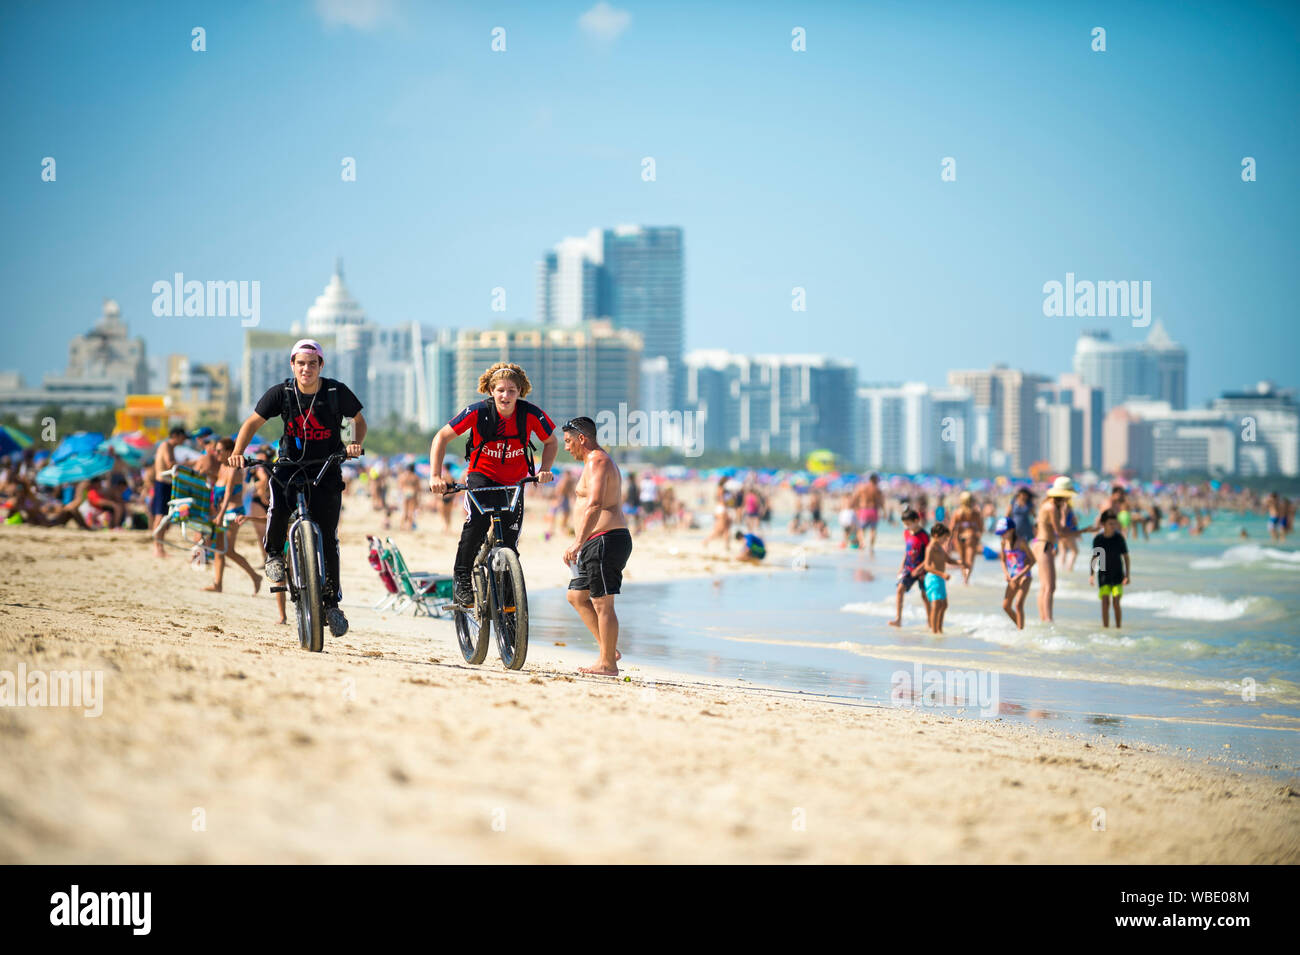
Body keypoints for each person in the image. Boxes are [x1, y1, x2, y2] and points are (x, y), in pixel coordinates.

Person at [229, 339, 366, 637]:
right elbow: (253, 422)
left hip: (326, 465)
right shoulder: (282, 393)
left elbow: (358, 420)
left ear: (321, 366)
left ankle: (331, 603)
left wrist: (355, 443)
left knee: (329, 537)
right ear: (292, 364)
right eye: (301, 363)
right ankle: (275, 556)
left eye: (312, 363)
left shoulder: (334, 391)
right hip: (290, 464)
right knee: (278, 506)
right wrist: (238, 451)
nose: (306, 369)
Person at [427, 362, 557, 608]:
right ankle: (462, 578)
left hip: (514, 483)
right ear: (490, 391)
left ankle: (509, 607)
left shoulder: (530, 415)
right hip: (481, 477)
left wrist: (545, 470)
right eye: (500, 390)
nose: (505, 395)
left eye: (511, 391)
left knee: (510, 546)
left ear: (520, 392)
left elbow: (551, 441)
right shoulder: (477, 412)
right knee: (475, 526)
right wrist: (435, 475)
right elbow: (441, 437)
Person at [560, 416, 632, 677]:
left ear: (582, 438)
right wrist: (580, 542)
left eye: (568, 441)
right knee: (577, 596)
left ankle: (608, 665)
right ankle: (607, 650)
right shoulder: (590, 463)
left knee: (602, 603)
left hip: (606, 539)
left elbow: (595, 504)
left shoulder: (599, 461)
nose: (566, 448)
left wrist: (578, 542)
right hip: (593, 541)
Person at [207, 437, 261, 595]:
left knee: (228, 550)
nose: (216, 453)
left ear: (229, 452)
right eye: (215, 450)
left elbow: (229, 494)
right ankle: (217, 584)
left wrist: (220, 515)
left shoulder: (233, 469)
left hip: (233, 513)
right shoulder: (222, 468)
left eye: (219, 451)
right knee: (218, 549)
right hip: (223, 513)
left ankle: (255, 576)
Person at [1033, 476, 1073, 623]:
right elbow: (1061, 531)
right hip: (1044, 545)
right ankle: (1048, 619)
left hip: (1042, 544)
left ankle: (1044, 618)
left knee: (1045, 586)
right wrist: (1083, 531)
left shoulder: (1048, 504)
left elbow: (1056, 530)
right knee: (1049, 586)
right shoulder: (1052, 507)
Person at [889, 509, 931, 628]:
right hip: (908, 567)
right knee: (900, 589)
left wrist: (920, 568)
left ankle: (929, 620)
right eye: (905, 524)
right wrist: (901, 566)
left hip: (922, 568)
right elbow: (906, 551)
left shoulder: (924, 535)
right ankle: (898, 619)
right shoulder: (906, 533)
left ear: (917, 520)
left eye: (908, 524)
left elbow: (929, 555)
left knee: (924, 595)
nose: (906, 526)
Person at [150, 427, 189, 555]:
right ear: (176, 435)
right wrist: (189, 464)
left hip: (166, 484)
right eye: (183, 437)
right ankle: (157, 547)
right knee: (160, 515)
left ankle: (160, 545)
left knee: (166, 516)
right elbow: (170, 464)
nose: (184, 440)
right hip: (162, 483)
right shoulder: (166, 445)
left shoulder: (170, 447)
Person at [1090, 510, 1131, 628]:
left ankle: (1118, 627)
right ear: (1103, 524)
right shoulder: (1098, 539)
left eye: (1115, 523)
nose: (1113, 526)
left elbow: (1126, 557)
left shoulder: (1119, 538)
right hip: (1103, 573)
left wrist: (1127, 575)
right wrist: (1091, 575)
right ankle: (1105, 627)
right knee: (1105, 602)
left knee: (1116, 602)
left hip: (1118, 573)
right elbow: (1094, 557)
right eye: (1110, 524)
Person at [920, 522, 963, 634]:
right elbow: (927, 566)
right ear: (935, 535)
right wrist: (942, 574)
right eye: (944, 538)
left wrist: (960, 562)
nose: (945, 541)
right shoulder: (930, 548)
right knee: (936, 605)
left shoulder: (939, 547)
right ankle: (934, 631)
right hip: (933, 578)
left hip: (940, 579)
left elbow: (948, 559)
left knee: (944, 605)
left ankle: (939, 629)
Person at [997, 518, 1035, 630]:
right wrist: (1006, 573)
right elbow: (1003, 560)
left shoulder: (1021, 542)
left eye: (1004, 532)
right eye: (1000, 533)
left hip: (1025, 577)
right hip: (1012, 577)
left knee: (1018, 605)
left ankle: (1020, 630)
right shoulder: (1003, 543)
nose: (1002, 535)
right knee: (1006, 606)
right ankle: (1021, 628)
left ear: (1012, 530)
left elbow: (1033, 560)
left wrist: (1020, 575)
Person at [950, 490, 981, 584]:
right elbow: (981, 527)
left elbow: (951, 527)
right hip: (971, 537)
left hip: (959, 537)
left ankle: (964, 578)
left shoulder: (957, 512)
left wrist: (948, 541)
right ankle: (966, 580)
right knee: (969, 561)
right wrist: (978, 538)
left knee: (963, 560)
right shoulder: (975, 513)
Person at [397, 463, 420, 531]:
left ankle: (402, 526)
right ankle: (409, 527)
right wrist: (418, 498)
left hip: (405, 493)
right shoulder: (415, 476)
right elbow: (418, 488)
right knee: (411, 512)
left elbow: (400, 486)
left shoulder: (402, 476)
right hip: (412, 493)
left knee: (404, 511)